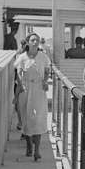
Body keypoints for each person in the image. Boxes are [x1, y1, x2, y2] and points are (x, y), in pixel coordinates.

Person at [14, 32, 51, 160]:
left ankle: (37, 150)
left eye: (37, 40)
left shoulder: (43, 56)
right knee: (26, 118)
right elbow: (18, 73)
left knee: (38, 118)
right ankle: (29, 145)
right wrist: (21, 85)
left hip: (39, 89)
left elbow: (47, 70)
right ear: (28, 42)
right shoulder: (22, 57)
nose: (35, 42)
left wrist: (45, 81)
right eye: (33, 40)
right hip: (26, 88)